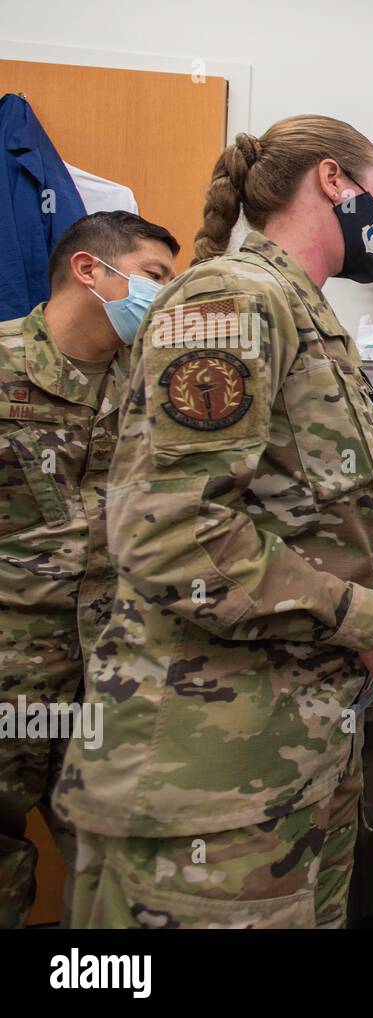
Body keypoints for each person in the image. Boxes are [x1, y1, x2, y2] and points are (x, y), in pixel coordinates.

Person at [52, 115, 373, 928]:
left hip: (296, 761)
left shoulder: (310, 320)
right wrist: (367, 622)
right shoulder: (228, 301)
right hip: (206, 782)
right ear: (333, 181)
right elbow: (173, 532)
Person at [0, 211, 179, 928]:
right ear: (90, 271)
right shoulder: (5, 363)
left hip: (111, 678)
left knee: (116, 879)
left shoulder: (154, 386)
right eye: (157, 276)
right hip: (9, 673)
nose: (168, 296)